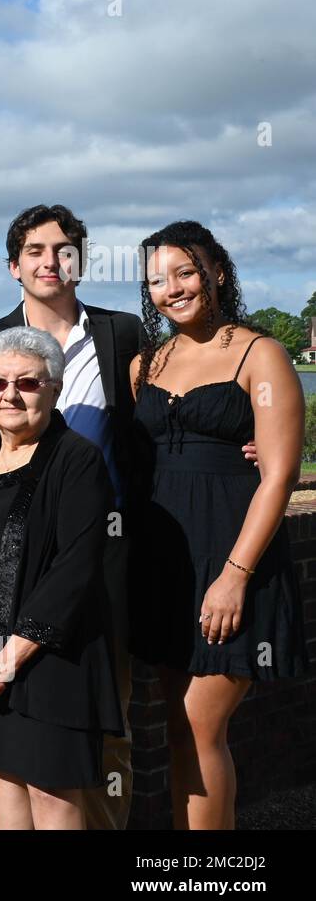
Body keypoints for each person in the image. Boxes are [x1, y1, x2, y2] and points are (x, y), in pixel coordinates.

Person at [0, 203, 141, 830]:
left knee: (101, 723)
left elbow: (156, 426)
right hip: (9, 557)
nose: (50, 261)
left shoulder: (123, 335)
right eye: (35, 250)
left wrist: (244, 443)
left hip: (102, 555)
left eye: (63, 250)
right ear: (14, 266)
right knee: (13, 752)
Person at [129, 220, 308, 829]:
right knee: (176, 727)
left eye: (185, 272)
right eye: (157, 279)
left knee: (202, 725)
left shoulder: (262, 353)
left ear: (218, 272)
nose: (172, 288)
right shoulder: (145, 363)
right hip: (163, 561)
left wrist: (234, 576)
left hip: (232, 557)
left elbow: (280, 476)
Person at [0, 326, 125, 829]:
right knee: (4, 784)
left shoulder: (76, 458)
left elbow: (75, 569)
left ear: (55, 389)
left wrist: (9, 659)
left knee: (51, 795)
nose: (9, 394)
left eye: (28, 383)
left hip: (50, 660)